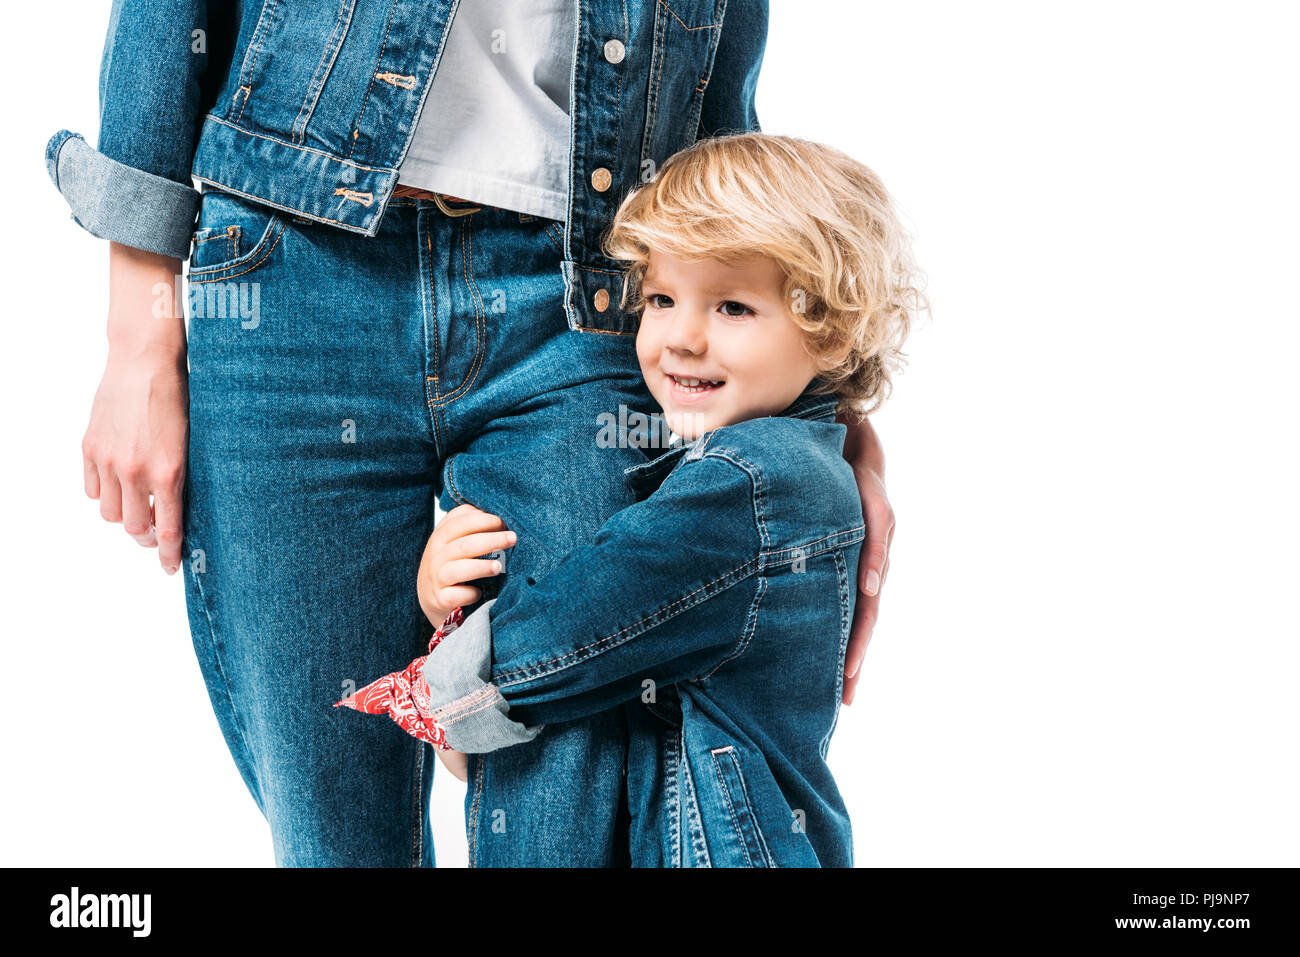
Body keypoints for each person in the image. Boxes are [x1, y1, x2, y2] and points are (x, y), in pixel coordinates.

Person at [45, 0, 896, 866]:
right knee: (332, 836)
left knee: (563, 804)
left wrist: (820, 396)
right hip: (291, 269)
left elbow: (718, 64)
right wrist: (136, 332)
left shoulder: (729, 415)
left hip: (588, 296)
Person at [339, 132, 922, 866]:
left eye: (733, 307)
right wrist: (444, 618)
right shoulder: (754, 467)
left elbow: (567, 637)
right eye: (661, 297)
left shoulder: (751, 480)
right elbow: (513, 754)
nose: (680, 337)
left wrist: (425, 684)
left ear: (830, 330)